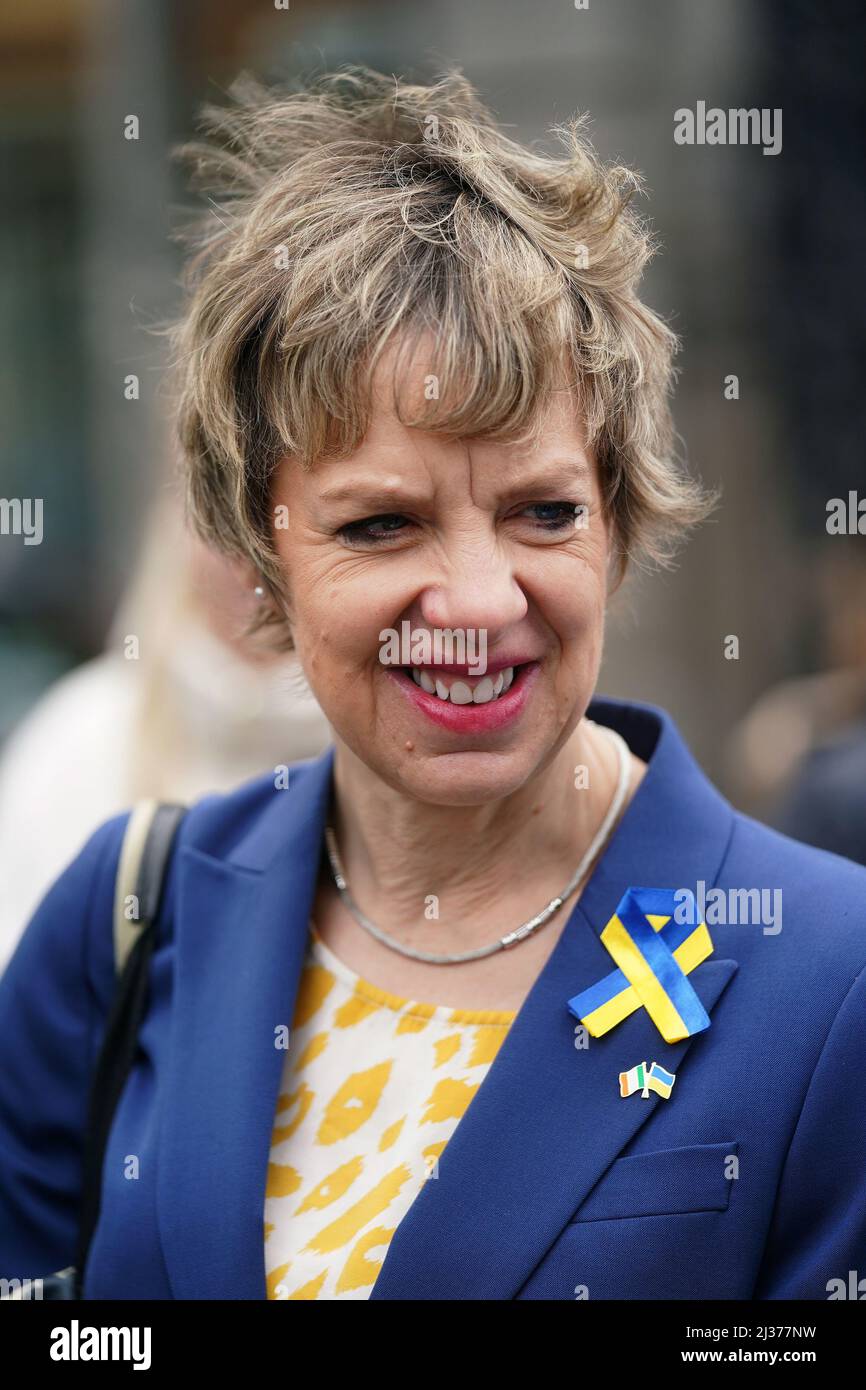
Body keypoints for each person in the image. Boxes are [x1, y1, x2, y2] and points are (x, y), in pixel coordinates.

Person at [1, 67, 864, 1302]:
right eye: (379, 525)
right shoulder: (128, 920)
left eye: (541, 512)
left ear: (616, 522)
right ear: (262, 550)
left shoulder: (829, 982)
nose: (473, 601)